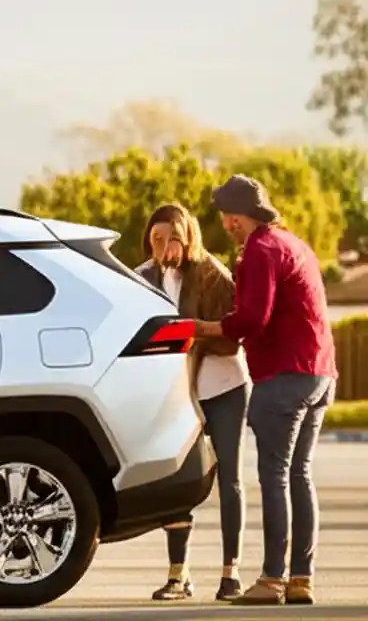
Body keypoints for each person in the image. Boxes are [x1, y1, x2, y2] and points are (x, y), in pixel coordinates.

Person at [194, 174, 337, 606]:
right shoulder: (294, 244)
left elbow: (253, 318)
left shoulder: (259, 250)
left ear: (238, 216)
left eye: (226, 215)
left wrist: (205, 328)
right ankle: (300, 579)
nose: (224, 222)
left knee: (273, 476)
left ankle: (272, 579)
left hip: (283, 377)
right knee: (299, 474)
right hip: (320, 373)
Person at [135, 204, 248, 602]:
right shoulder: (145, 278)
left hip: (224, 387)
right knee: (180, 481)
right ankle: (177, 576)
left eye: (172, 238)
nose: (165, 247)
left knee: (229, 479)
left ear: (188, 236)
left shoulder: (211, 273)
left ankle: (231, 573)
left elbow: (233, 335)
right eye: (157, 240)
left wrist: (189, 334)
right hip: (179, 393)